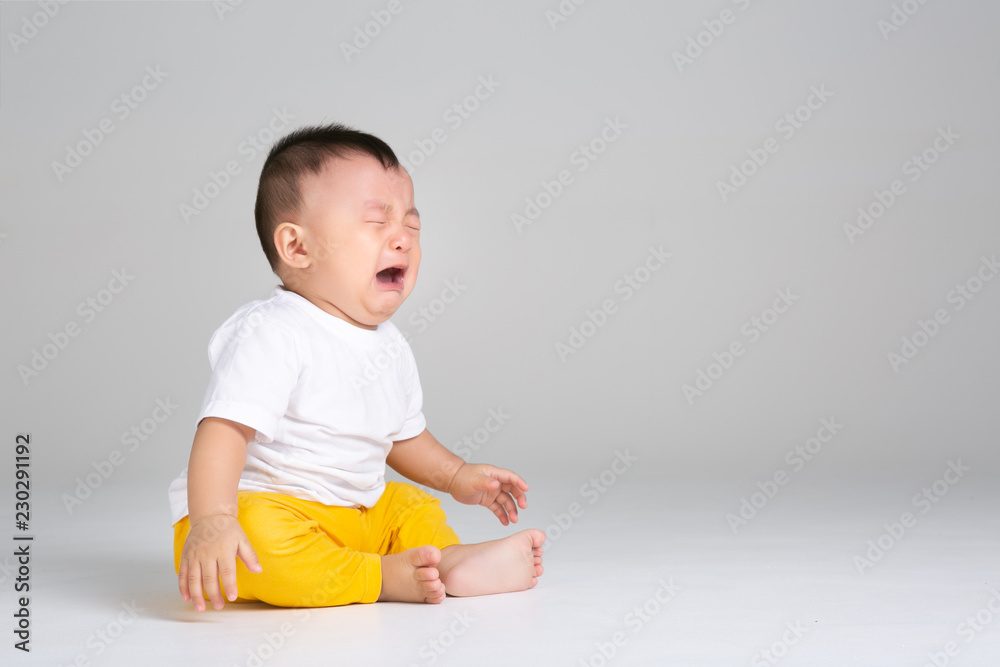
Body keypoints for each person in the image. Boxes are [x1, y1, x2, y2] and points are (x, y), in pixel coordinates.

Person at [169, 123, 544, 611]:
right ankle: (383, 577)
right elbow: (223, 431)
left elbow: (402, 438)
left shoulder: (391, 347)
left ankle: (446, 561)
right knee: (260, 543)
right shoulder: (272, 332)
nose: (403, 239)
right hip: (268, 507)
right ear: (297, 247)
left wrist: (455, 474)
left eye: (412, 225)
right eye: (377, 222)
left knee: (408, 505)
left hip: (355, 514)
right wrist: (213, 518)